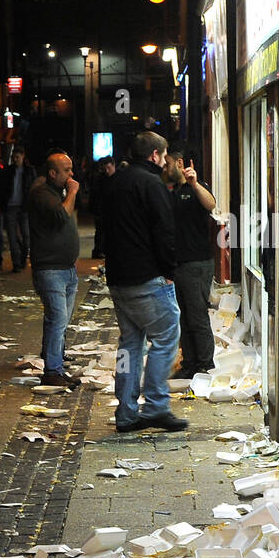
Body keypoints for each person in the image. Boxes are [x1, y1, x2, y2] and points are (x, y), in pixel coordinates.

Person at [103, 131, 186, 433]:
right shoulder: (151, 183)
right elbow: (164, 231)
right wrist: (169, 270)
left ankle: (126, 413)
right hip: (147, 277)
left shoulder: (116, 182)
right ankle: (156, 406)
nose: (165, 161)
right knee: (165, 339)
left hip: (119, 279)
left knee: (130, 345)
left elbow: (104, 229)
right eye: (163, 156)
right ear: (154, 155)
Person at [28, 151, 82, 388]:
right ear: (53, 173)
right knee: (57, 319)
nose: (72, 175)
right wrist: (72, 192)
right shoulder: (42, 194)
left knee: (61, 321)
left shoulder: (57, 192)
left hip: (66, 268)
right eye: (67, 170)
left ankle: (56, 365)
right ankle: (52, 371)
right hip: (50, 269)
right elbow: (61, 216)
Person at [163, 150, 218, 378]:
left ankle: (205, 364)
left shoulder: (197, 187)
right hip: (178, 264)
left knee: (197, 316)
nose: (165, 170)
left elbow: (211, 204)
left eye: (167, 165)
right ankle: (190, 363)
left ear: (179, 162)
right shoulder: (172, 191)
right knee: (183, 317)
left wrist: (194, 183)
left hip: (197, 263)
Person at [0, 145, 37, 273]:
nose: (15, 159)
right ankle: (16, 263)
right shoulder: (8, 171)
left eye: (17, 157)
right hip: (10, 206)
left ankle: (23, 258)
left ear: (23, 157)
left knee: (26, 236)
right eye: (14, 157)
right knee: (12, 237)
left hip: (24, 207)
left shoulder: (29, 171)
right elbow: (1, 189)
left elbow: (35, 187)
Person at [89, 156, 116, 259]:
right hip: (101, 210)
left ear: (113, 165)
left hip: (110, 209)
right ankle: (99, 250)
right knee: (100, 230)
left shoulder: (118, 178)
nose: (106, 171)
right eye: (104, 169)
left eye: (108, 168)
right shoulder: (100, 179)